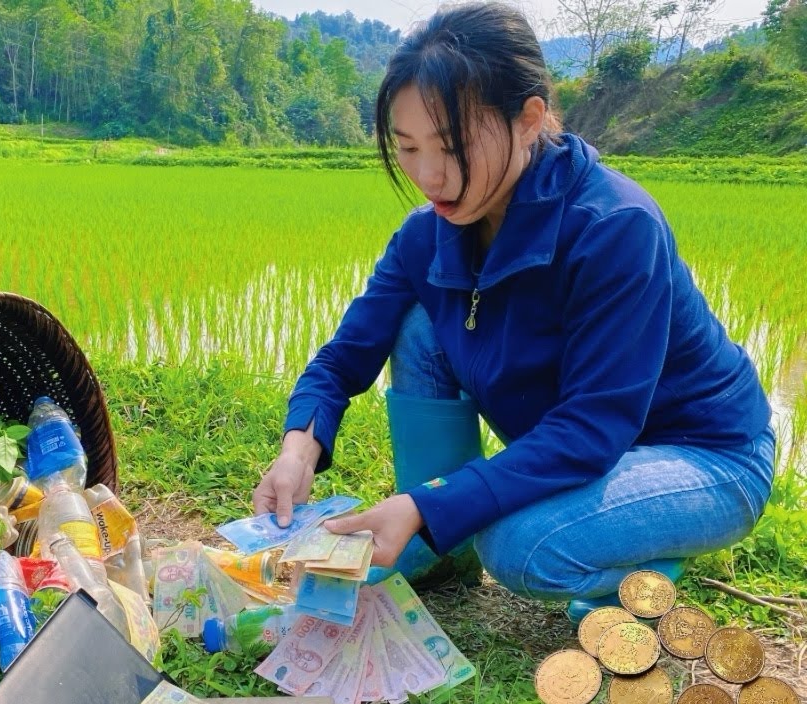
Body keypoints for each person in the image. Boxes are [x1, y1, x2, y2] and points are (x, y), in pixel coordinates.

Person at [252, 2, 774, 623]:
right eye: (409, 148)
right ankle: (440, 540)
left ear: (528, 119)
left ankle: (639, 566)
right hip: (580, 445)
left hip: (699, 452)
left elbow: (591, 428)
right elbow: (345, 357)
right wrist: (298, 448)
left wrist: (423, 505)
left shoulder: (614, 227)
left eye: (449, 147)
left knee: (519, 547)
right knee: (418, 326)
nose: (428, 175)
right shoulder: (427, 235)